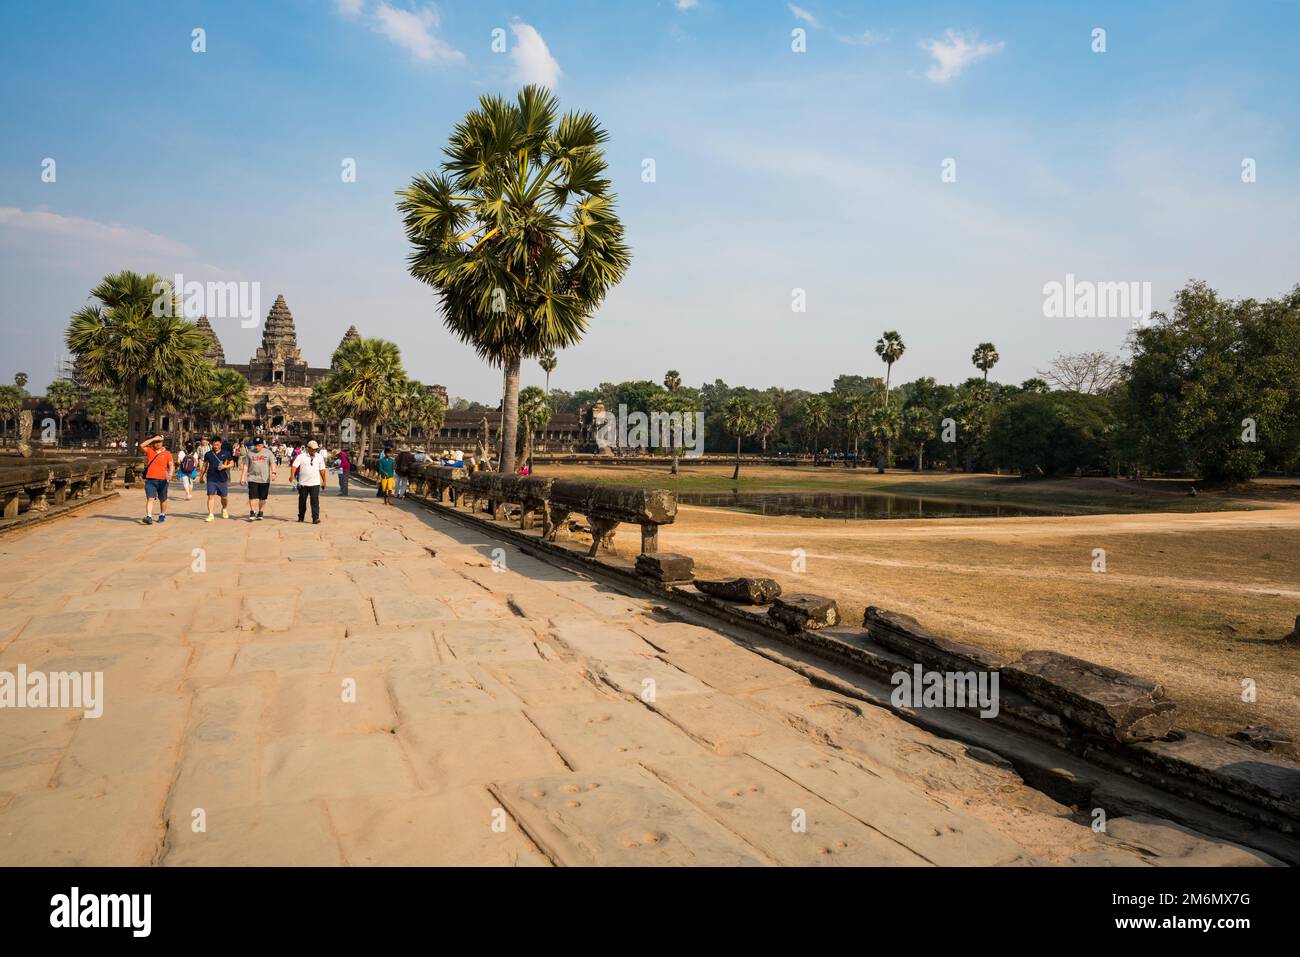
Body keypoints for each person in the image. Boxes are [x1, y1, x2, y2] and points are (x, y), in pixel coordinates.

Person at [137, 434, 173, 524]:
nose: (157, 444)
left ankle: (162, 514)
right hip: (150, 479)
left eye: (159, 441)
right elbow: (141, 446)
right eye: (155, 442)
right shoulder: (149, 450)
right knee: (150, 498)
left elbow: (171, 465)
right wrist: (153, 438)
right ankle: (149, 516)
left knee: (163, 499)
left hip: (163, 479)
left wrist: (171, 474)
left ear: (162, 442)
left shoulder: (167, 453)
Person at [239, 436, 277, 520]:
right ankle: (252, 512)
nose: (257, 447)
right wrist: (242, 477)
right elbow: (245, 466)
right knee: (252, 496)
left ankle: (260, 512)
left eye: (259, 445)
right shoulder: (249, 453)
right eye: (255, 445)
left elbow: (272, 463)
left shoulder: (268, 452)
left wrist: (273, 473)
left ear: (263, 445)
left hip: (264, 479)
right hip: (252, 478)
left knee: (262, 498)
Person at [291, 440, 328, 523]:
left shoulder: (319, 457)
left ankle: (315, 518)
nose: (314, 451)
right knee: (302, 501)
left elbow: (322, 469)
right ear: (308, 448)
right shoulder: (301, 456)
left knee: (315, 501)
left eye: (316, 449)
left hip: (315, 483)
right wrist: (292, 476)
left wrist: (324, 481)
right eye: (313, 449)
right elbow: (294, 466)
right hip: (303, 483)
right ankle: (301, 517)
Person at [200, 436, 235, 521]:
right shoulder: (208, 454)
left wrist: (225, 466)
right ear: (211, 444)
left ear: (220, 444)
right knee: (210, 496)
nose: (215, 446)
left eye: (217, 444)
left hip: (222, 479)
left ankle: (224, 509)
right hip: (211, 478)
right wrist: (201, 476)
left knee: (224, 497)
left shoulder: (226, 453)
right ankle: (211, 514)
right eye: (214, 445)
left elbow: (232, 463)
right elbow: (205, 465)